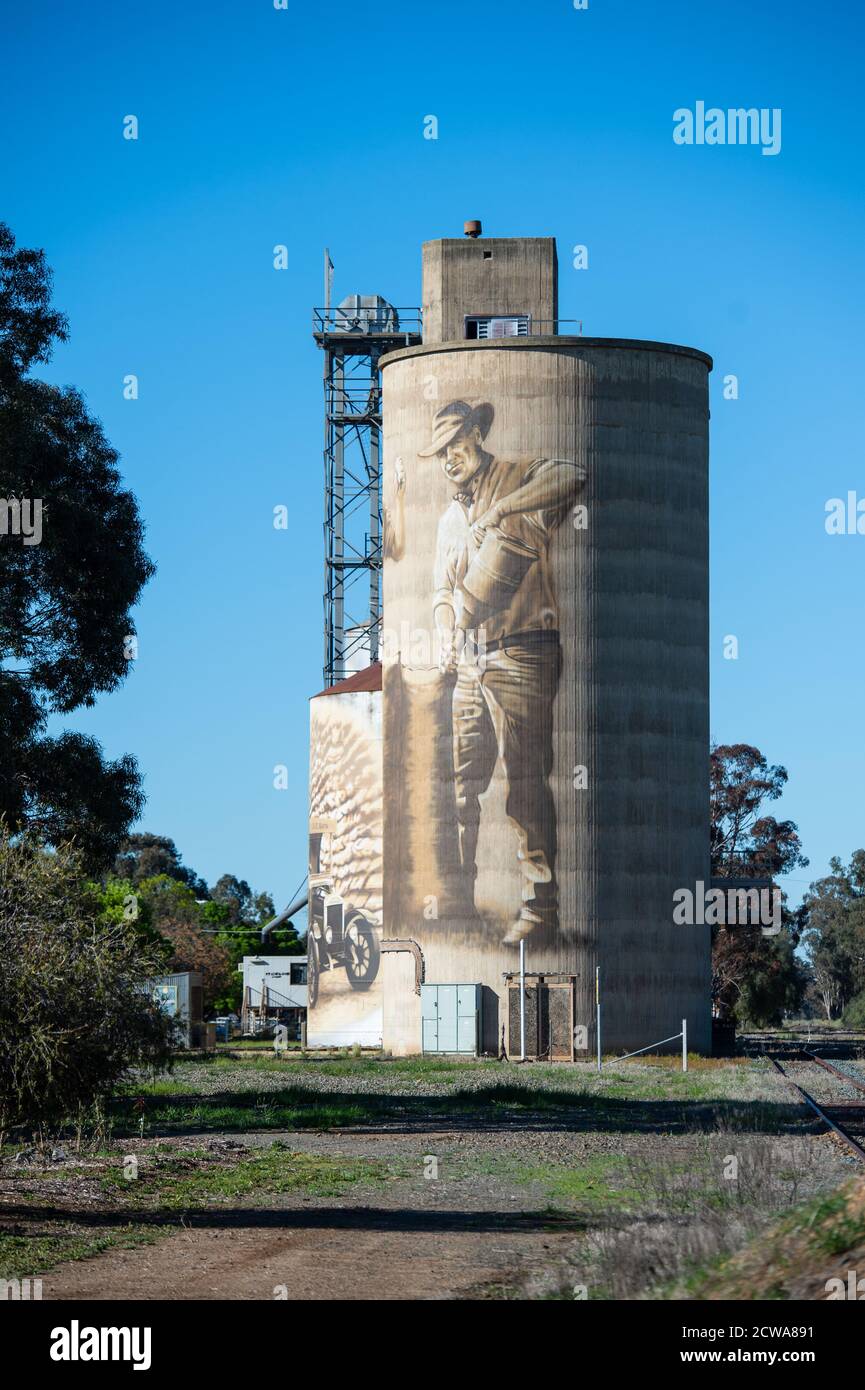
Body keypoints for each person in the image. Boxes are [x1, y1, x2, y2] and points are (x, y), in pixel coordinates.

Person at [420, 399, 585, 943]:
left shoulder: (518, 477)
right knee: (461, 783)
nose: (449, 458)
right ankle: (463, 902)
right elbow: (442, 591)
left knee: (524, 780)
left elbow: (573, 474)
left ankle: (539, 908)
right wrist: (446, 631)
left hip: (523, 650)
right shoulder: (447, 520)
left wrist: (500, 510)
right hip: (470, 657)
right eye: (440, 451)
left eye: (455, 444)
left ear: (477, 433)